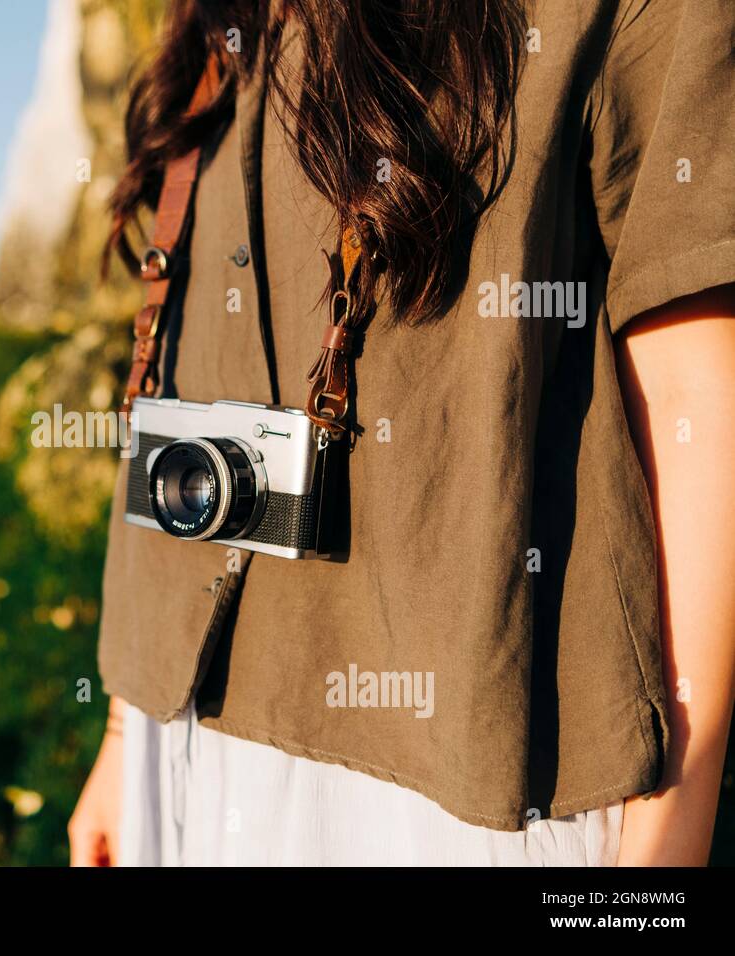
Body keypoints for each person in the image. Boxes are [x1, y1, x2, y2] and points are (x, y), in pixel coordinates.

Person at [69, 0, 735, 866]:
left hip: (462, 782)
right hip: (185, 725)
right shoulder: (221, 23)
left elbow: (697, 394)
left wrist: (669, 844)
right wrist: (125, 737)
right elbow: (180, 361)